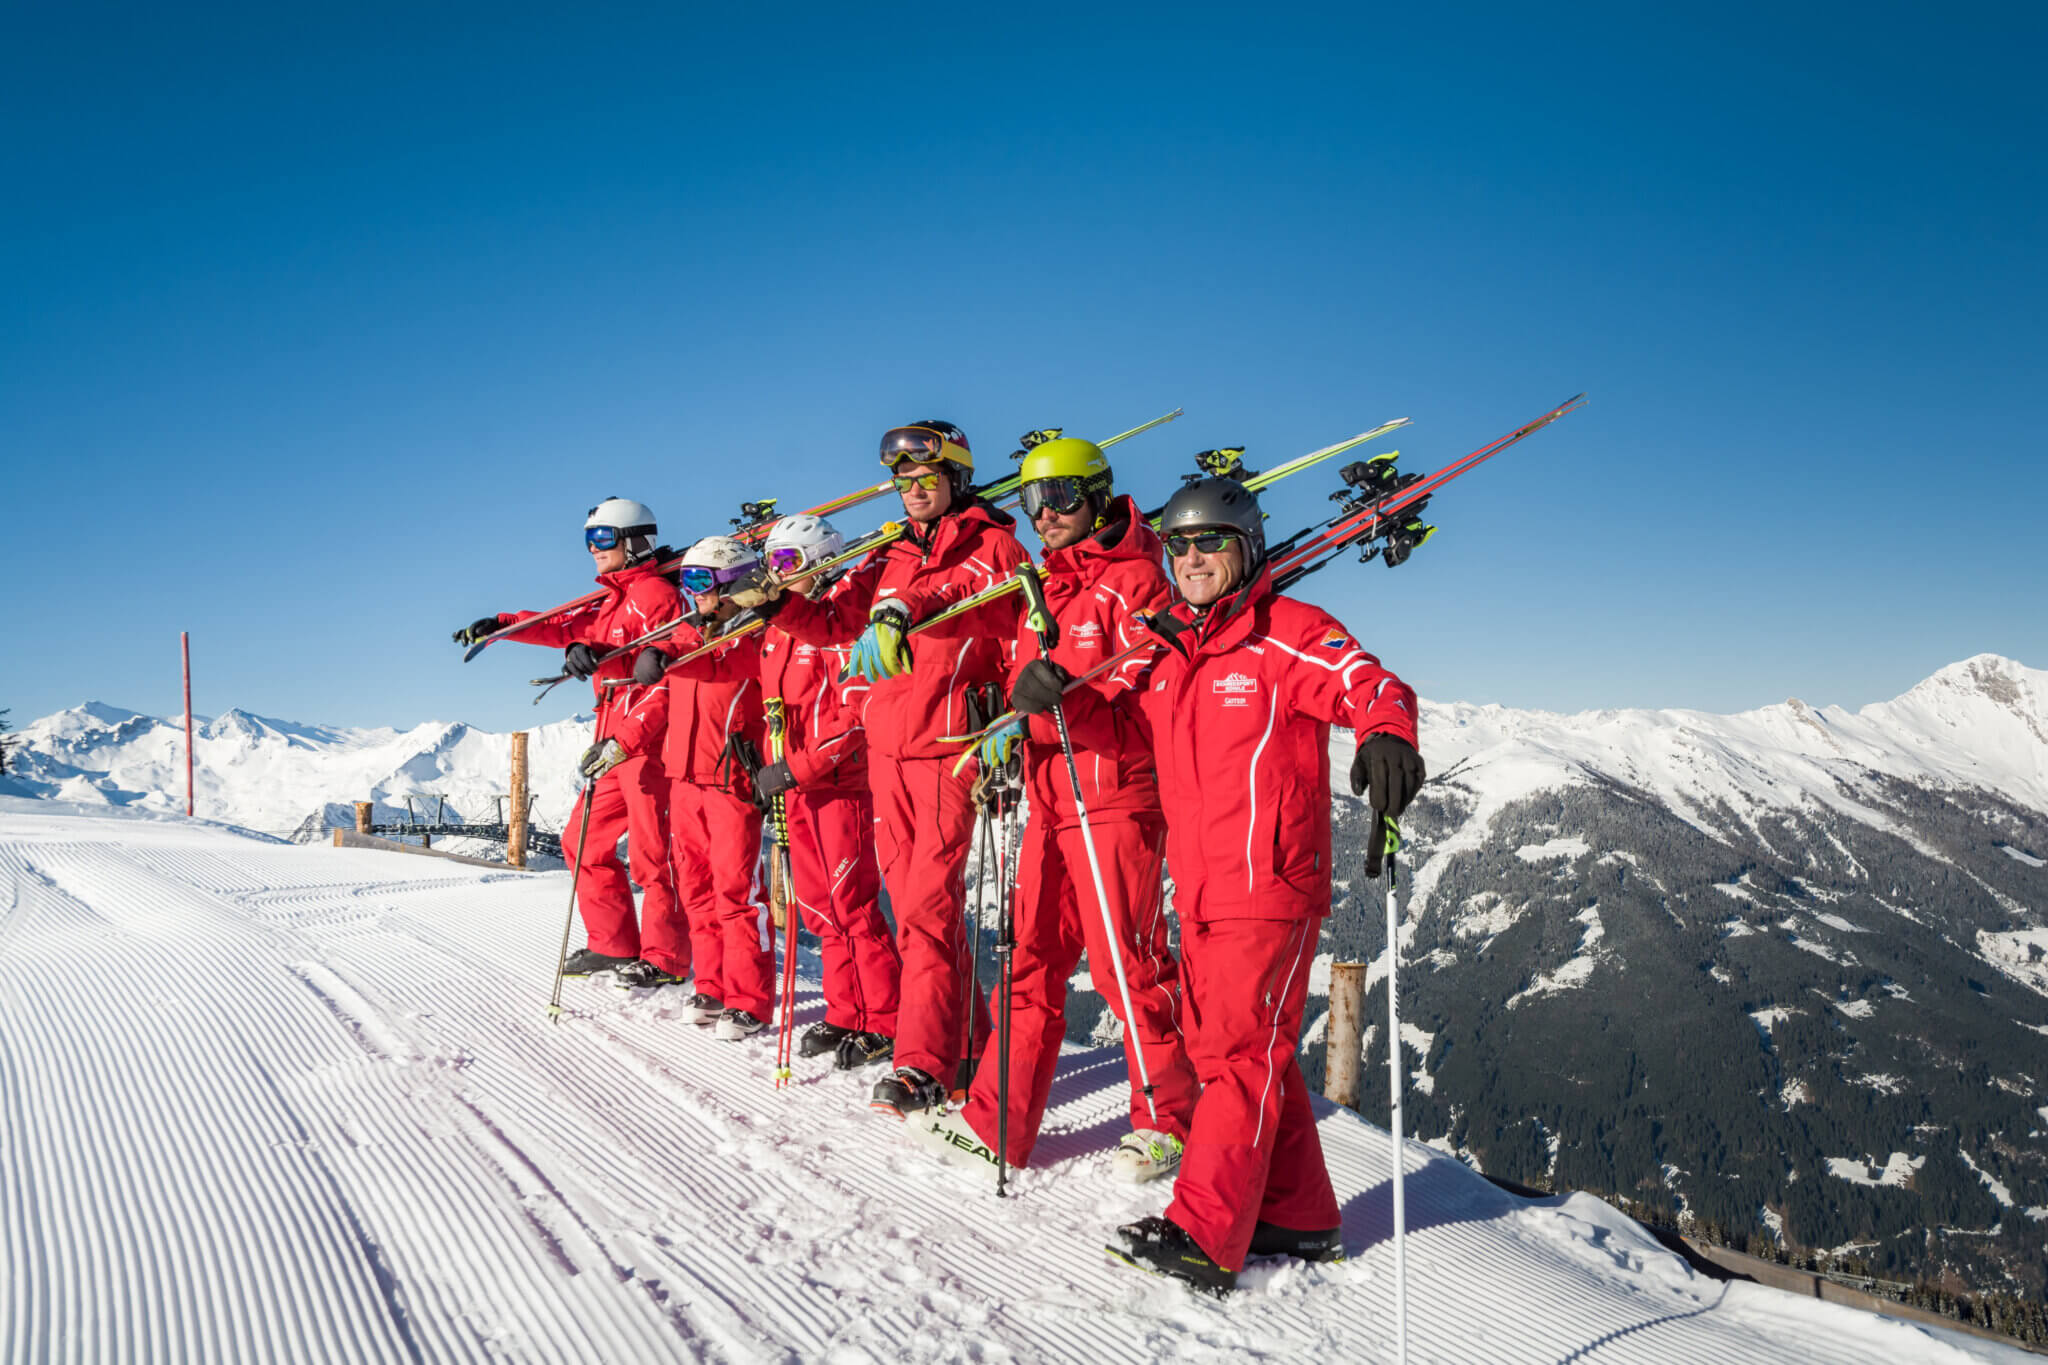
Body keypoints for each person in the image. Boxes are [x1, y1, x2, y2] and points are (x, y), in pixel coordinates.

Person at [1104, 477, 1426, 1296]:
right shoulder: (1170, 652)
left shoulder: (1289, 633)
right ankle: (1301, 1213)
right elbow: (1096, 685)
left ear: (1248, 546)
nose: (1192, 557)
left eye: (1210, 541)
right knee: (1247, 1055)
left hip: (1271, 883)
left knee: (1238, 1057)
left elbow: (1370, 682)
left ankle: (1205, 1232)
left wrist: (1386, 733)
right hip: (1203, 887)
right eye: (1177, 545)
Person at [912, 437, 1198, 1182]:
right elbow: (1023, 681)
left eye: (1063, 497)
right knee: (1029, 958)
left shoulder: (1138, 579)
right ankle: (995, 1120)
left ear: (1100, 495)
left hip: (1113, 795)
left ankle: (1168, 1119)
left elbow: (1147, 666)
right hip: (1048, 794)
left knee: (1126, 964)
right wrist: (1008, 725)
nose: (1047, 515)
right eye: (1035, 501)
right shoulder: (1045, 585)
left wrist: (1069, 685)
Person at [735, 421, 1030, 1116]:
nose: (914, 490)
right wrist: (778, 602)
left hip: (948, 746)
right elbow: (836, 620)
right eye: (903, 481)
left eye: (926, 478)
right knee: (920, 915)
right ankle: (965, 1044)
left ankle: (921, 1061)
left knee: (926, 911)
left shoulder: (994, 543)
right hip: (888, 753)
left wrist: (903, 606)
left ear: (956, 477)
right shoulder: (889, 552)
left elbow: (963, 588)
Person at [640, 515, 901, 1069]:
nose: (776, 578)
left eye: (787, 565)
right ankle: (843, 1013)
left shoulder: (834, 631)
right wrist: (669, 654)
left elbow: (854, 720)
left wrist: (795, 767)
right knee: (818, 910)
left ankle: (881, 1019)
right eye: (771, 566)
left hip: (837, 785)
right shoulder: (780, 631)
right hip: (796, 785)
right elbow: (720, 655)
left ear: (820, 562)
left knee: (851, 905)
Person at [451, 498, 683, 985]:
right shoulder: (614, 599)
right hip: (612, 745)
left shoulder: (658, 596)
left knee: (652, 856)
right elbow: (565, 627)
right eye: (588, 540)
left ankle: (665, 959)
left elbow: (669, 676)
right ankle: (614, 944)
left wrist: (628, 735)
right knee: (581, 839)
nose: (592, 550)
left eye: (601, 539)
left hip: (647, 745)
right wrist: (504, 625)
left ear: (633, 540)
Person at [637, 535, 773, 1038]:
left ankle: (750, 999)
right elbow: (676, 659)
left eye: (700, 581)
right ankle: (712, 985)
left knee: (738, 893)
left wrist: (669, 654)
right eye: (686, 581)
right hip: (685, 777)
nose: (693, 593)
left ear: (732, 583)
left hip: (730, 780)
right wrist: (656, 651)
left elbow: (723, 663)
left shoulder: (755, 634)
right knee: (695, 888)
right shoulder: (691, 634)